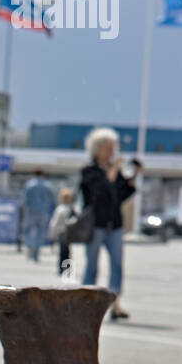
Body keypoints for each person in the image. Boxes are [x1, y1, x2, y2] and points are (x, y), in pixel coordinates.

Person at [80, 127, 139, 320]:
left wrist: (132, 178)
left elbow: (121, 195)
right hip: (95, 225)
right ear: (97, 149)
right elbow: (98, 191)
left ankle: (114, 305)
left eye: (113, 147)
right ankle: (86, 304)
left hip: (114, 225)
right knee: (92, 266)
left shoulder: (117, 172)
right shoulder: (89, 171)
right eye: (108, 148)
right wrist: (113, 171)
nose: (112, 152)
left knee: (117, 265)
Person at [21, 170, 55, 263]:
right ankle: (37, 251)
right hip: (43, 212)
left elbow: (24, 199)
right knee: (40, 233)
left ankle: (30, 247)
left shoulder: (29, 185)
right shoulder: (47, 185)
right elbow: (52, 198)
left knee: (28, 231)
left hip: (30, 212)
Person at [49, 188, 75, 277]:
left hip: (62, 232)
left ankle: (61, 269)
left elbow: (54, 222)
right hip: (70, 233)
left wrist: (52, 233)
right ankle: (68, 268)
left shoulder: (60, 209)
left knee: (62, 252)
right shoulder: (72, 208)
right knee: (67, 252)